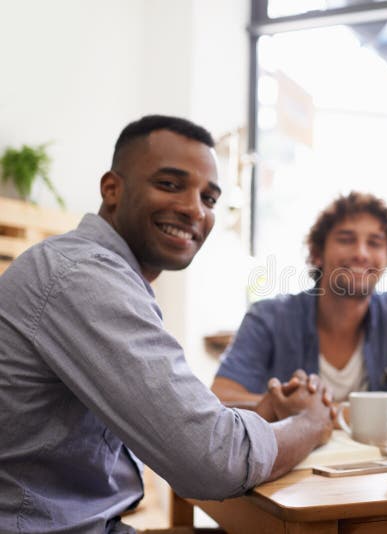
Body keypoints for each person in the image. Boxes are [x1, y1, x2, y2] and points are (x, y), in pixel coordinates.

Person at [0, 116, 333, 534]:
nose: (195, 208)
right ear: (112, 189)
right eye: (170, 184)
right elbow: (214, 460)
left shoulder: (101, 275)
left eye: (209, 198)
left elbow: (175, 414)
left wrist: (264, 412)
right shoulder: (83, 277)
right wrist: (311, 423)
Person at [212, 192, 387, 406]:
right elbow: (223, 397)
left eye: (374, 243)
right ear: (317, 253)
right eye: (346, 239)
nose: (361, 253)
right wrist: (294, 408)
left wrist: (326, 413)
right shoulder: (269, 317)